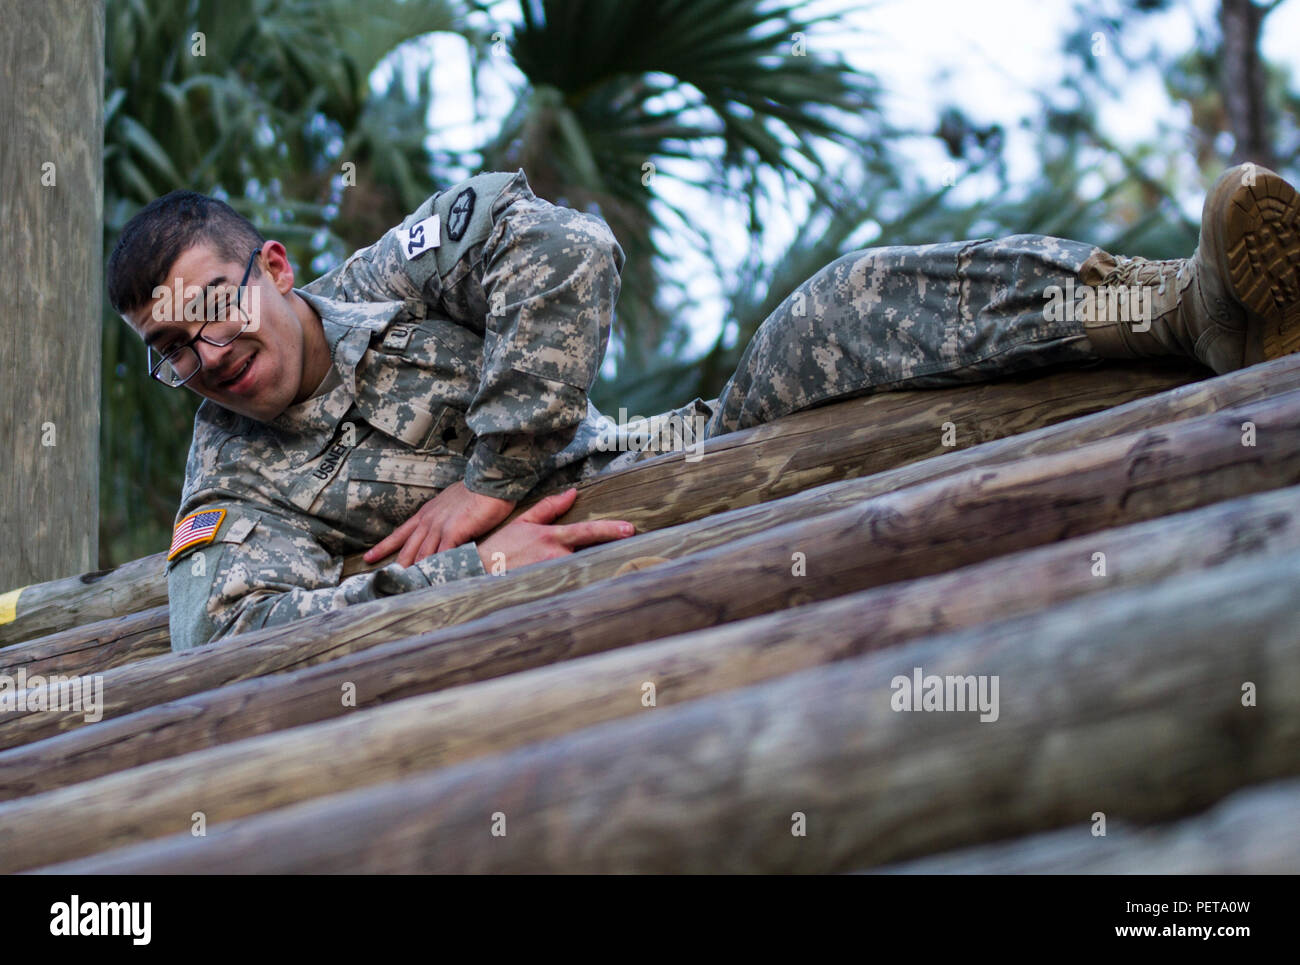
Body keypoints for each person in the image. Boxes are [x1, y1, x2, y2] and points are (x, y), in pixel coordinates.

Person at [106, 164, 1300, 651]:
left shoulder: (391, 274)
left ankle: (1184, 307)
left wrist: (490, 474)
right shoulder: (231, 484)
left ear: (270, 267)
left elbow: (566, 249)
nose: (205, 352)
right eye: (168, 346)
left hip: (671, 446)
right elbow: (231, 632)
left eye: (213, 306)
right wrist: (467, 570)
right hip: (565, 587)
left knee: (838, 304)